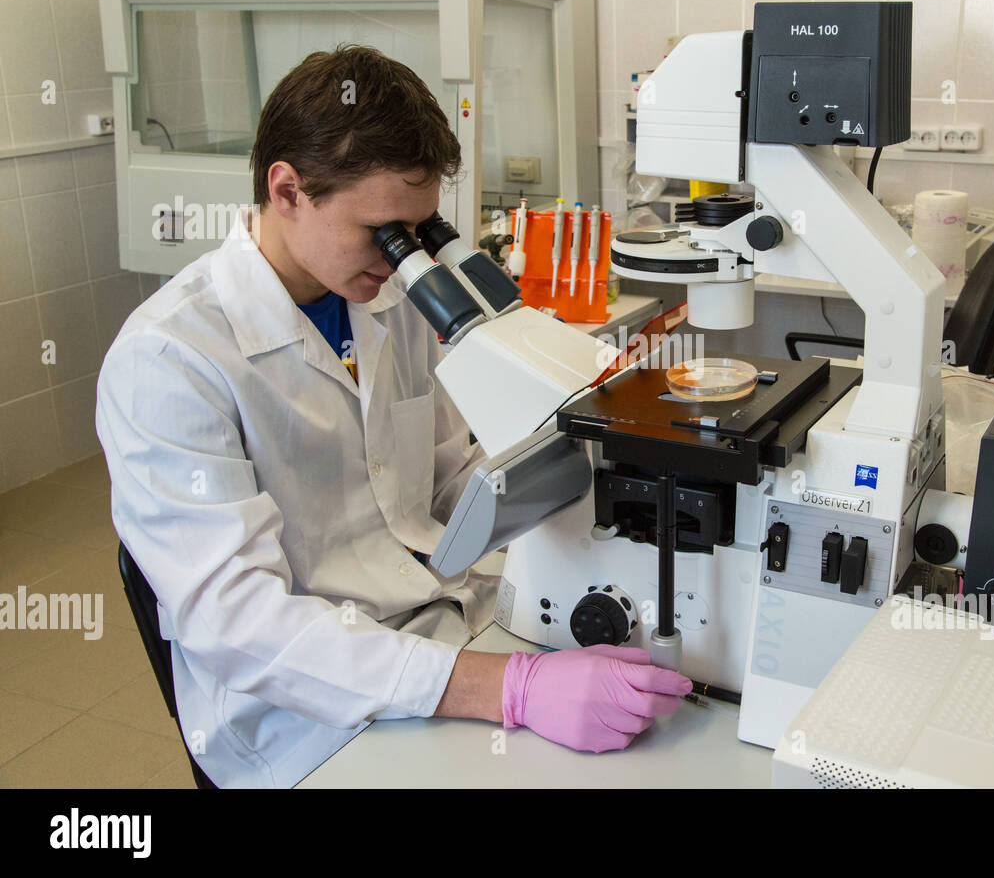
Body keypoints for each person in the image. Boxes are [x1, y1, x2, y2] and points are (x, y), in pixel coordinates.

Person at [95, 45, 692, 788]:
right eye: (381, 231)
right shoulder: (170, 360)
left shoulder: (386, 299)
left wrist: (591, 527)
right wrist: (508, 686)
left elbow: (449, 480)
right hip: (306, 717)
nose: (399, 258)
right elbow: (238, 623)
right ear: (286, 190)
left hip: (445, 623)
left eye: (417, 231)